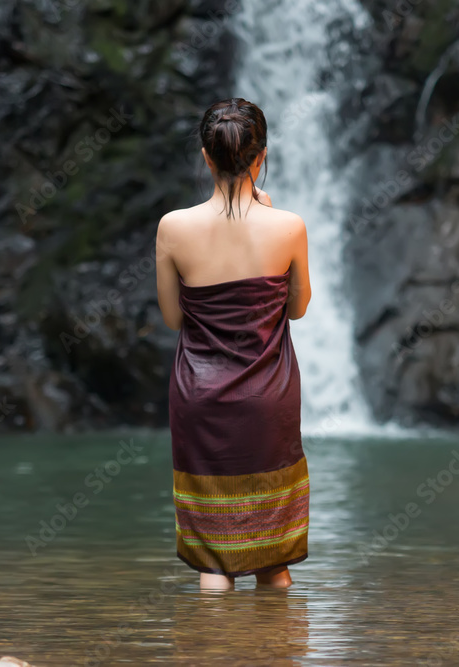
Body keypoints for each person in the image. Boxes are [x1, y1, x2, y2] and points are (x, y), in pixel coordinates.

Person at [155, 98, 312, 590]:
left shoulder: (172, 227)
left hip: (200, 399)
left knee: (214, 567)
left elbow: (173, 317)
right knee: (274, 563)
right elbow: (299, 308)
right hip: (269, 398)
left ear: (206, 156)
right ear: (261, 158)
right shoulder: (288, 226)